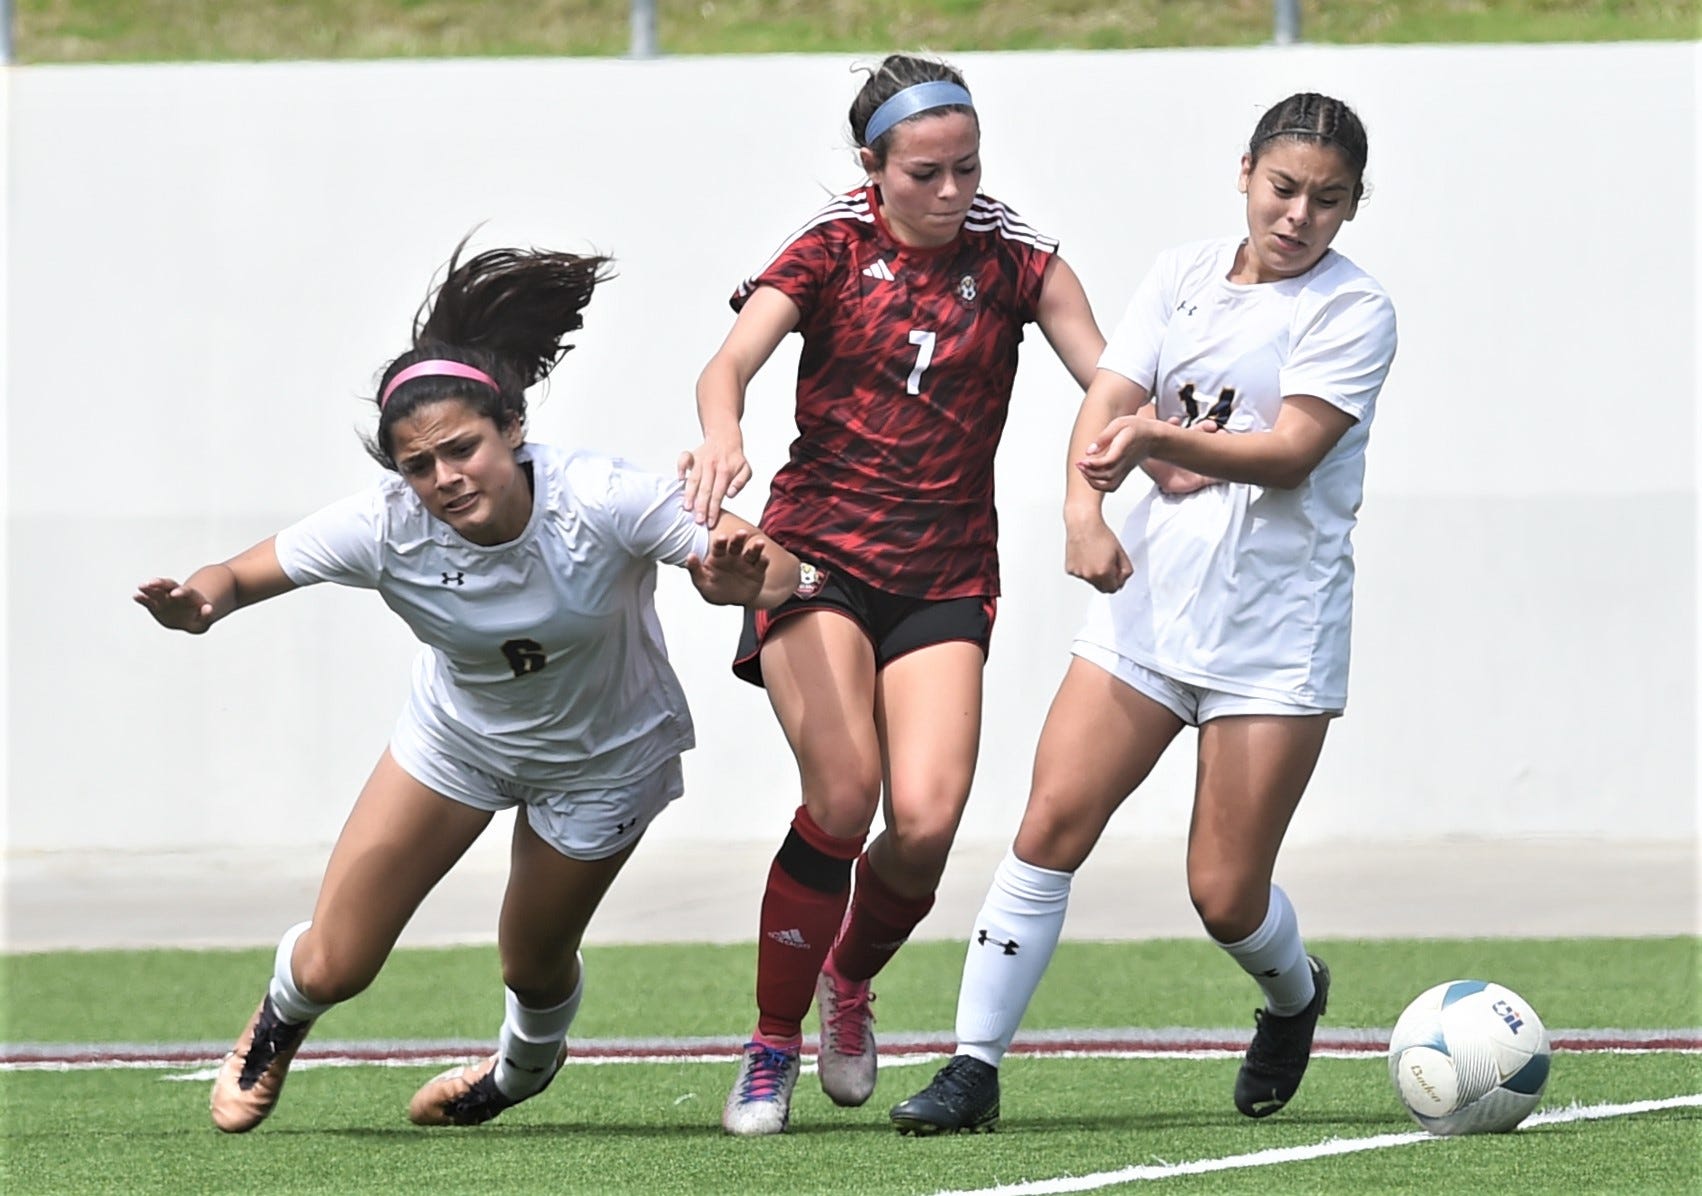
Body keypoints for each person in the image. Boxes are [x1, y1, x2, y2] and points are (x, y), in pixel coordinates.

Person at [134, 240, 801, 1134]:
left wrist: (738, 577)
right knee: (337, 964)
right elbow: (238, 573)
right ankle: (278, 1021)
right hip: (457, 743)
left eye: (462, 449)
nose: (444, 478)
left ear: (512, 429)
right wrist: (198, 604)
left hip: (604, 761)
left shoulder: (601, 497)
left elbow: (775, 573)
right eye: (419, 465)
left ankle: (521, 1071)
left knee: (531, 963)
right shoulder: (385, 526)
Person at [889, 91, 1399, 1134]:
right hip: (1149, 611)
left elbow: (1292, 451)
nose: (1298, 215)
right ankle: (971, 1066)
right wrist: (1084, 509)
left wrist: (1160, 445)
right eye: (1284, 188)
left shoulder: (1354, 309)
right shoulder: (1180, 274)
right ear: (1246, 171)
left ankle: (1293, 996)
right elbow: (1108, 397)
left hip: (1273, 629)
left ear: (1353, 207)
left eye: (1328, 200)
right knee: (1047, 826)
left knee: (1222, 892)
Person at [678, 52, 1107, 1136]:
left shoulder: (1018, 261)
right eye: (926, 172)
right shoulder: (829, 245)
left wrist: (1144, 452)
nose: (952, 189)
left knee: (922, 823)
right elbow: (728, 363)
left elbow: (1106, 376)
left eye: (966, 166)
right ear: (874, 168)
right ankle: (770, 1044)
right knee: (844, 794)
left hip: (946, 569)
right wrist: (722, 430)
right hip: (814, 553)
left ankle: (848, 981)